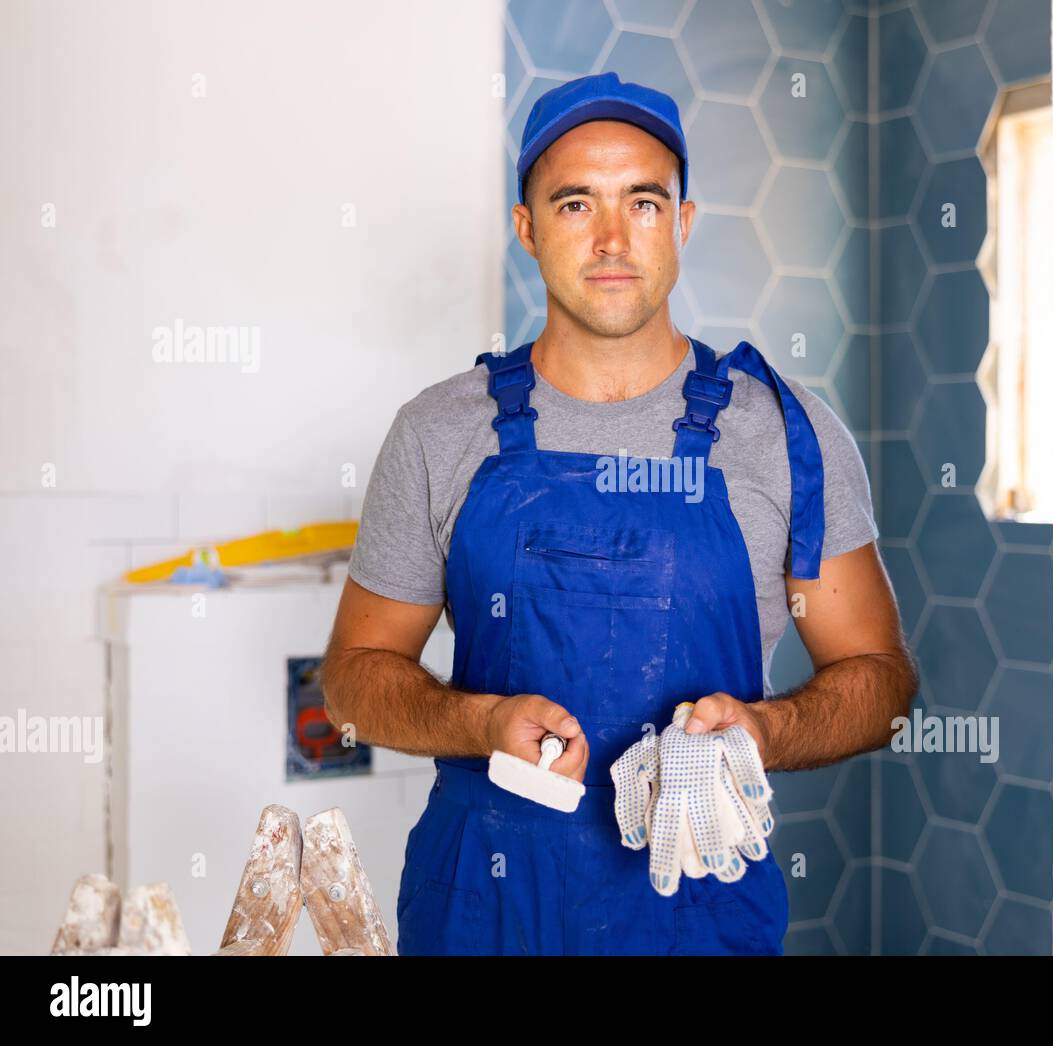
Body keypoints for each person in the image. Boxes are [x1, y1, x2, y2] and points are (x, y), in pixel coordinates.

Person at [321, 71, 918, 956]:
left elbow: (882, 680)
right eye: (573, 205)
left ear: (681, 222)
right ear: (525, 228)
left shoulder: (783, 435)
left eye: (642, 202)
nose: (611, 239)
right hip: (484, 916)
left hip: (695, 917)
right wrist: (477, 723)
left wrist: (764, 732)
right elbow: (352, 681)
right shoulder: (440, 432)